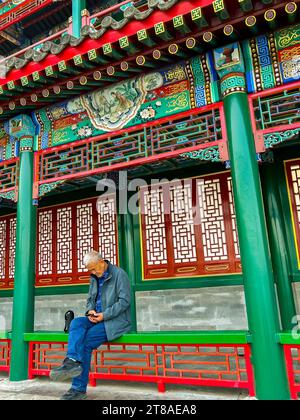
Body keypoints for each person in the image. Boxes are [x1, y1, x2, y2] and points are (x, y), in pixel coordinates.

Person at [50, 251, 132, 400]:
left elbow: (125, 302)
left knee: (86, 342)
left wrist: (104, 315)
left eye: (94, 269)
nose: (93, 272)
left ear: (102, 262)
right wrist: (90, 311)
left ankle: (78, 389)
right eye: (90, 270)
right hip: (97, 317)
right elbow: (90, 299)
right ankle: (72, 361)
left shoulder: (120, 274)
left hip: (114, 320)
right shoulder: (94, 277)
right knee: (76, 323)